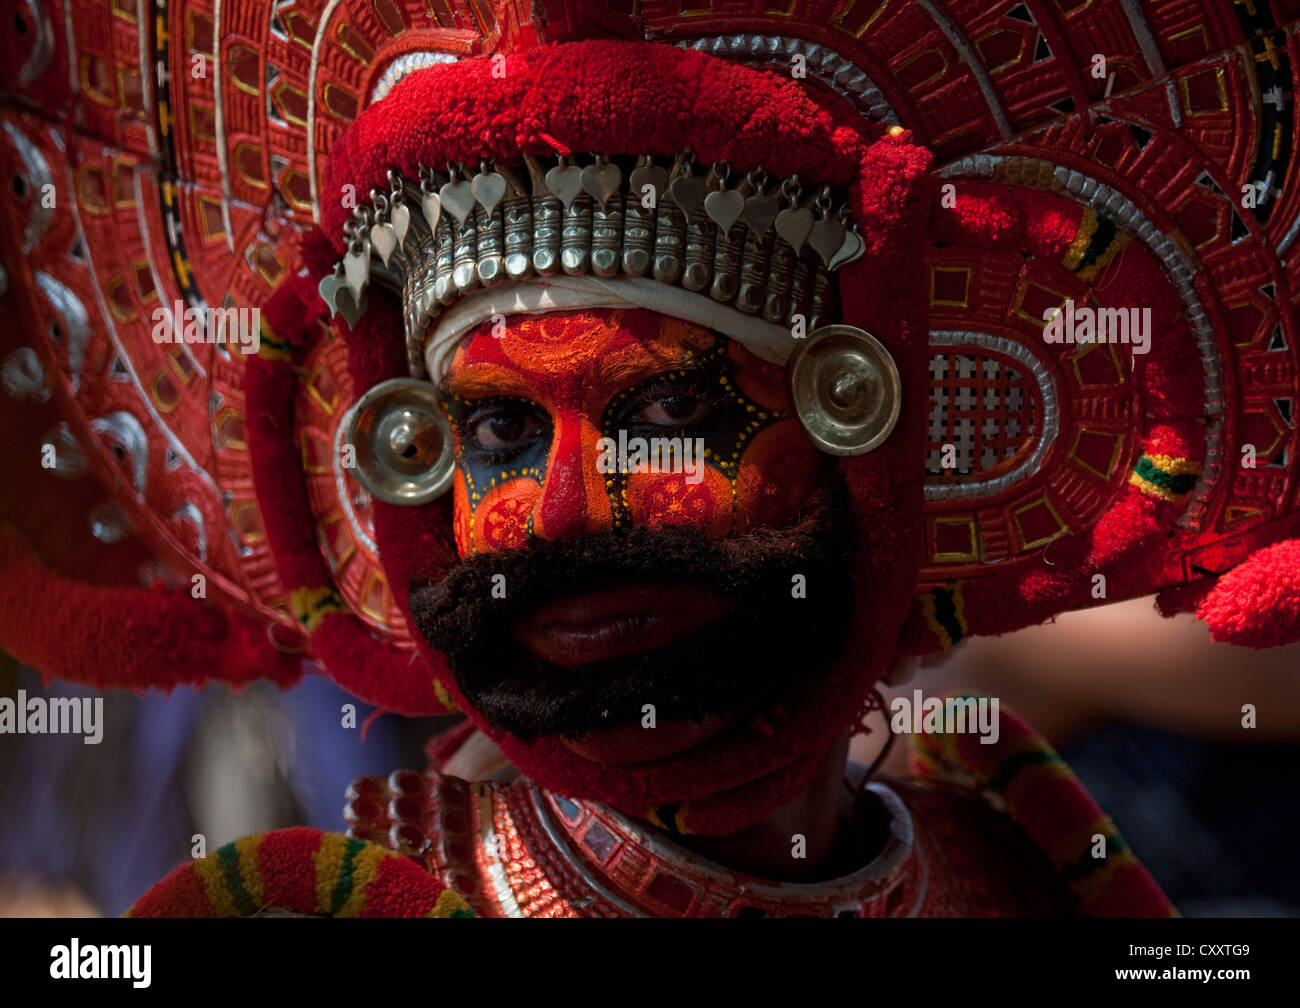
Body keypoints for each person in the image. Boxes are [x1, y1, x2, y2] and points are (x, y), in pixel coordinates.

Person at [2, 0, 1297, 918]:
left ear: (862, 430)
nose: (567, 512)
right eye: (499, 433)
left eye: (671, 416)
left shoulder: (1033, 856)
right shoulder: (299, 906)